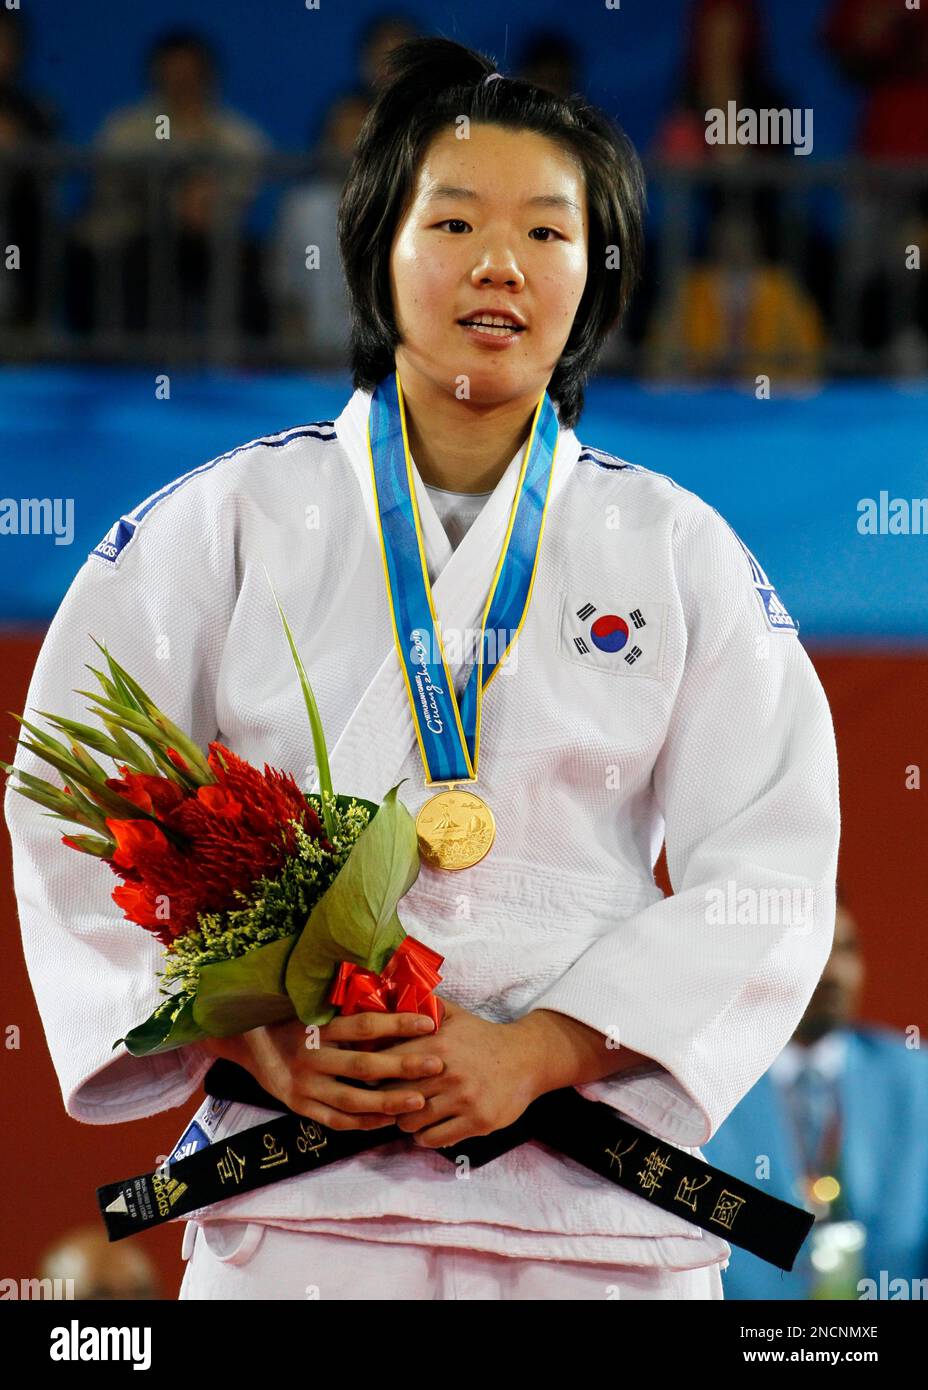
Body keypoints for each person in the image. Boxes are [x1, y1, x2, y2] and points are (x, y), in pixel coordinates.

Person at [4, 36, 841, 1301]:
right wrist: (266, 1041)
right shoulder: (224, 522)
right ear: (375, 249)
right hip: (301, 1193)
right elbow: (71, 796)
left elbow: (771, 860)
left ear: (596, 275)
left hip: (592, 1209)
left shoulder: (676, 548)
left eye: (549, 233)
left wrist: (544, 1050)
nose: (499, 263)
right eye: (453, 219)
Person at [703, 891, 928, 1299]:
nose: (834, 972)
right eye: (815, 950)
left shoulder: (915, 1076)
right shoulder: (708, 1084)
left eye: (845, 949)